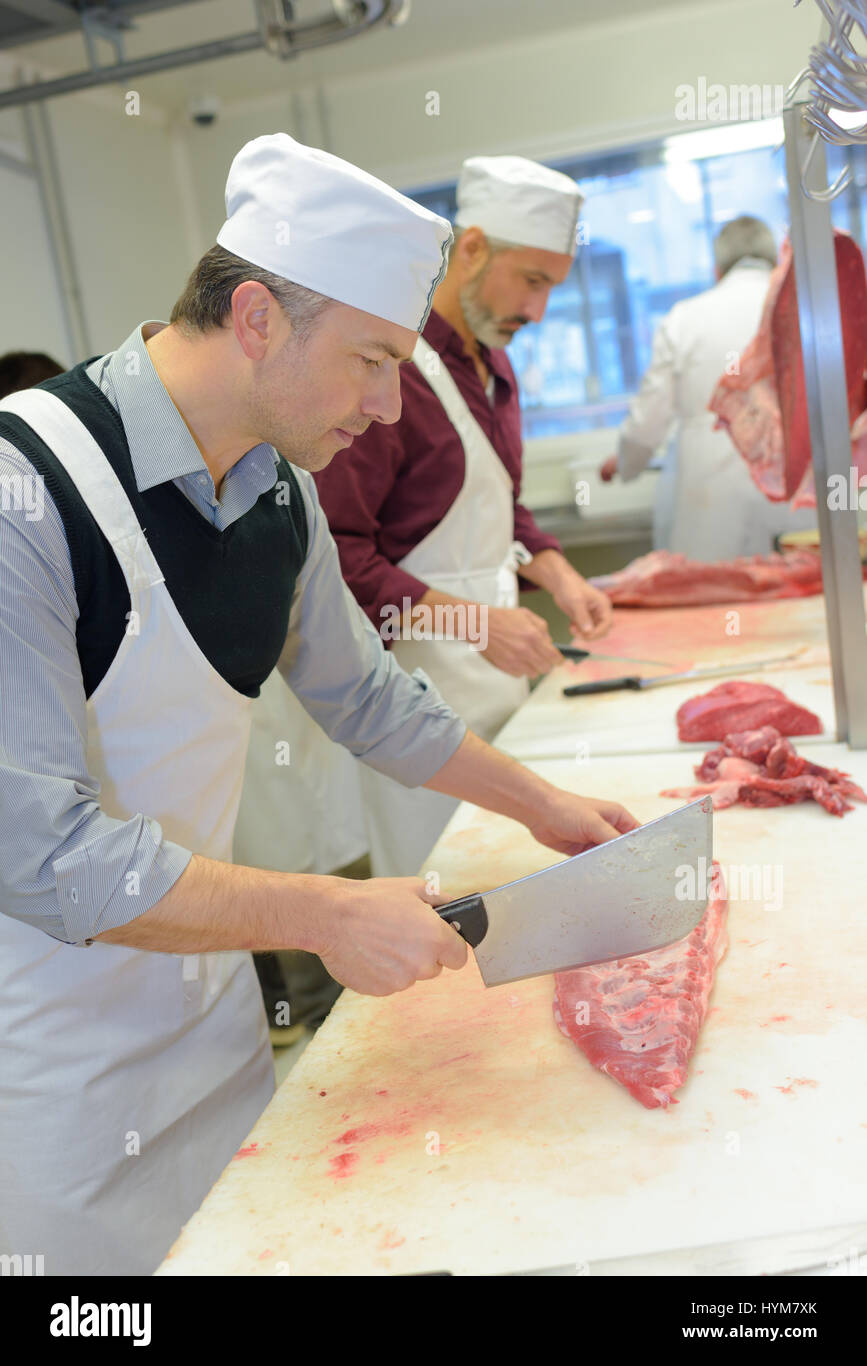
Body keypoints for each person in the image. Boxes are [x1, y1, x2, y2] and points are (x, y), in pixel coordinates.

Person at [0, 133, 638, 1276]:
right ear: (255, 319)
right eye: (372, 361)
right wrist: (329, 915)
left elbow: (370, 700)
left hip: (213, 1020)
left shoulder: (275, 489)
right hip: (44, 1078)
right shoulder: (24, 499)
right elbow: (47, 861)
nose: (391, 407)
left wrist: (541, 805)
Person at [315, 155, 613, 875]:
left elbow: (496, 500)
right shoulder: (386, 375)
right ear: (472, 248)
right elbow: (340, 563)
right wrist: (474, 623)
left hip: (499, 685)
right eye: (532, 281)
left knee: (517, 875)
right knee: (446, 898)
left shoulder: (494, 363)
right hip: (409, 705)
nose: (538, 311)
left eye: (552, 287)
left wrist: (558, 572)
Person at [599, 215, 815, 558]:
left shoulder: (684, 319)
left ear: (717, 269)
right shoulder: (808, 312)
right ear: (775, 261)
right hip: (795, 494)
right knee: (802, 597)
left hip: (712, 503)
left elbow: (646, 427)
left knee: (717, 601)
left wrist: (625, 462)